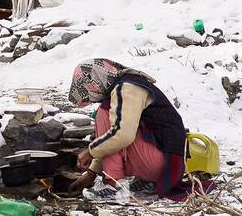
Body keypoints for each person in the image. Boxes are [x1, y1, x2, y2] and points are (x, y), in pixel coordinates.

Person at [67, 58, 188, 197]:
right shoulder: (128, 83)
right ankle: (147, 181)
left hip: (164, 162)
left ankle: (112, 185)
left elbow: (122, 135)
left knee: (104, 113)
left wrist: (90, 152)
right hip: (169, 164)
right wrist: (92, 172)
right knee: (111, 121)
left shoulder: (126, 88)